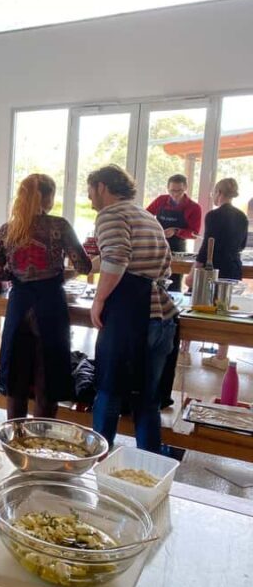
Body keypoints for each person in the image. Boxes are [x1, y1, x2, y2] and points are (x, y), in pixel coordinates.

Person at [0, 174, 92, 419]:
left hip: (19, 304)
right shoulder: (59, 226)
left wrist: (17, 273)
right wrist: (60, 274)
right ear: (48, 197)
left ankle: (15, 433)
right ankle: (42, 435)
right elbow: (84, 265)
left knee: (16, 379)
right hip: (50, 303)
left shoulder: (7, 230)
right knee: (49, 378)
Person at [89, 165, 177, 454]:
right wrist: (89, 266)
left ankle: (97, 461)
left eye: (90, 190)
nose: (89, 198)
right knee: (147, 399)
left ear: (102, 187)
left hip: (130, 315)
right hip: (162, 313)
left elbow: (117, 258)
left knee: (109, 391)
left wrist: (99, 299)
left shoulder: (110, 214)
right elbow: (154, 263)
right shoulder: (147, 216)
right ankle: (150, 464)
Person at [191, 178, 247, 370]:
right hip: (233, 266)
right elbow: (242, 245)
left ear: (219, 193)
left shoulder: (213, 216)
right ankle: (221, 357)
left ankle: (184, 351)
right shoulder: (242, 217)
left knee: (197, 305)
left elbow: (207, 245)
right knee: (225, 312)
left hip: (213, 267)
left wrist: (194, 270)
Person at [146, 174, 202, 292]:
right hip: (158, 246)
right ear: (167, 188)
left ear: (186, 188)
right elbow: (145, 216)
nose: (175, 194)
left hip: (177, 249)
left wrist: (176, 231)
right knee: (153, 282)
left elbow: (194, 233)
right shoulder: (161, 200)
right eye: (172, 191)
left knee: (174, 284)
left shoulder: (194, 207)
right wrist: (154, 229)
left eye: (179, 191)